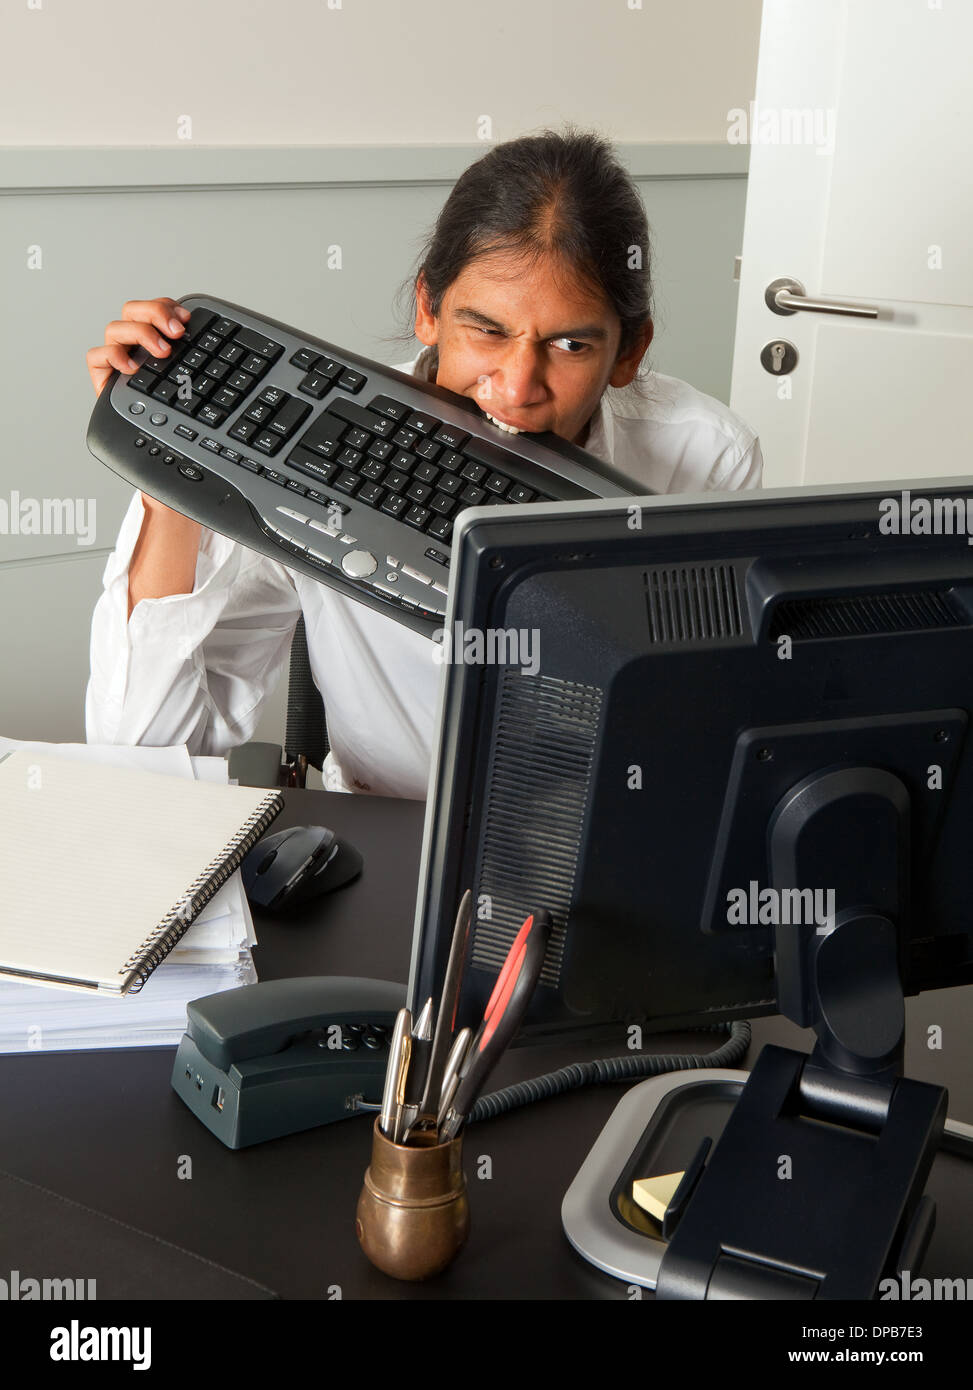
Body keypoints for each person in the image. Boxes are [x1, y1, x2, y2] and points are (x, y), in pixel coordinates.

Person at [85, 126, 763, 799]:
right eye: (487, 331)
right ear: (427, 310)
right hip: (390, 830)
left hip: (603, 823)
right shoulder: (295, 437)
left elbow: (712, 717)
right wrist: (174, 472)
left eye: (568, 346)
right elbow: (142, 755)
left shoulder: (704, 459)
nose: (518, 386)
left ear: (628, 353)